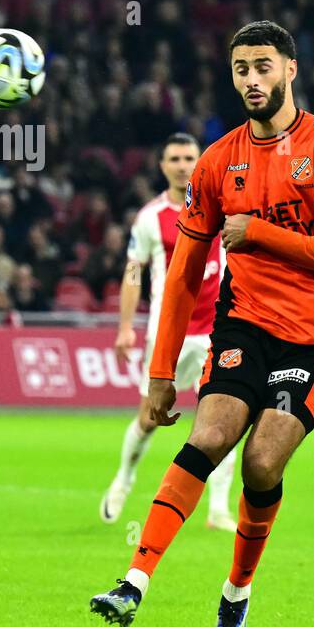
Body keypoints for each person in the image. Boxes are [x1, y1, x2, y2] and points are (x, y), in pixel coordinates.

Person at [91, 22, 314, 627]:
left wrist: (259, 232)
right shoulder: (218, 161)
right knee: (209, 437)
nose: (251, 79)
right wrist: (161, 376)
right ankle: (134, 581)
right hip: (244, 322)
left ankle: (235, 597)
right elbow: (185, 275)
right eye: (240, 68)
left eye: (263, 66)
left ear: (291, 69)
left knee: (263, 465)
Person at [99, 132, 237, 532]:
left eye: (189, 157)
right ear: (162, 166)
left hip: (218, 330)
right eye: (174, 158)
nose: (182, 164)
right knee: (149, 418)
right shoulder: (150, 217)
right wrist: (125, 327)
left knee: (226, 417)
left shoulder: (223, 207)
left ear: (200, 162)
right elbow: (132, 271)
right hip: (168, 332)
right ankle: (124, 476)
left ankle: (219, 509)